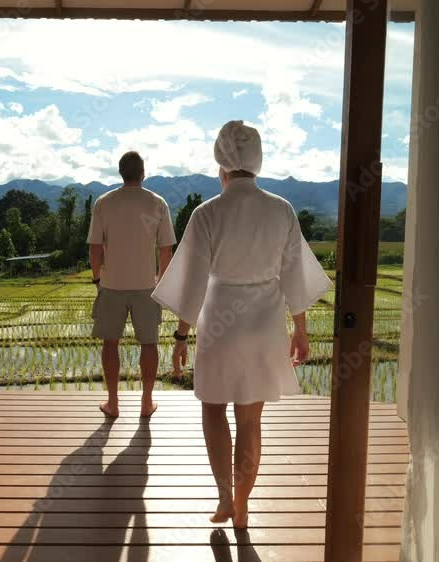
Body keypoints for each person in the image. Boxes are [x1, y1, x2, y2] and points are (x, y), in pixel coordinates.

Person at [151, 121, 332, 529]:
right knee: (250, 421)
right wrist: (300, 329)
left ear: (222, 167)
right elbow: (294, 276)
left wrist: (181, 337)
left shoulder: (207, 213)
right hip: (265, 323)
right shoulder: (281, 210)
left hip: (219, 323)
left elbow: (193, 283)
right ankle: (243, 505)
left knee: (213, 410)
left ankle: (224, 497)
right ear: (257, 161)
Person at [88, 151, 176, 418]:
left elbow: (95, 248)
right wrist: (160, 280)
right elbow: (166, 249)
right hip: (146, 286)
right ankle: (146, 403)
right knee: (149, 344)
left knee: (110, 343)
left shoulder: (104, 202)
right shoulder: (157, 203)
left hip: (111, 285)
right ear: (143, 173)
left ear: (120, 172)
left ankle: (113, 403)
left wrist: (97, 278)